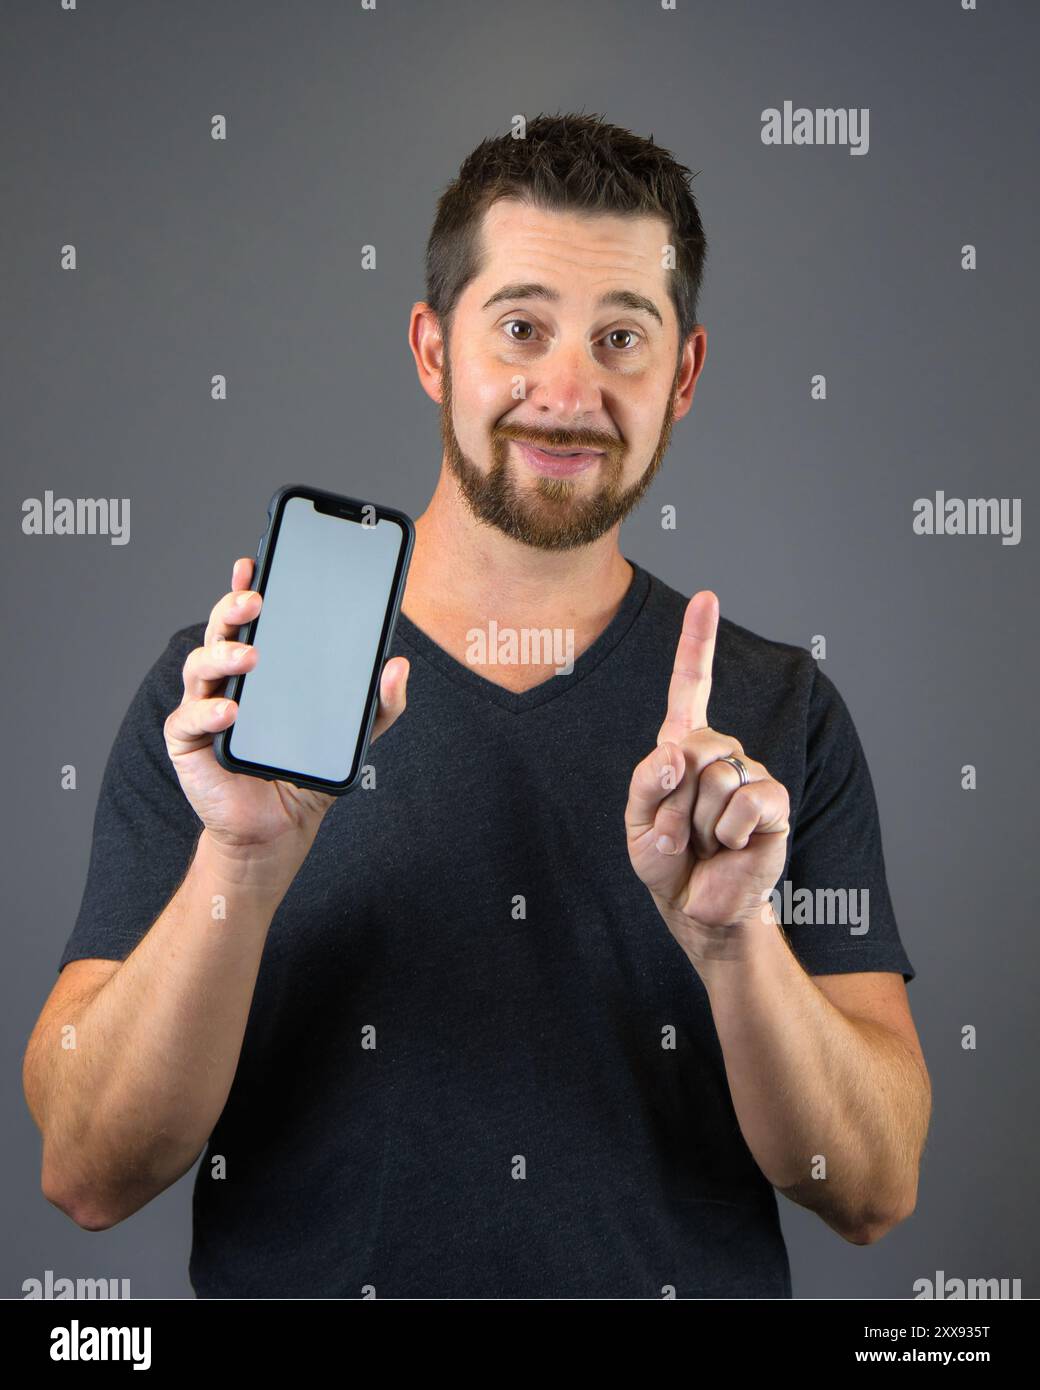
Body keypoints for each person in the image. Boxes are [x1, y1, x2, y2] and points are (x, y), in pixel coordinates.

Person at [23, 112, 930, 1299]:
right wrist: (237, 872)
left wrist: (732, 945)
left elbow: (870, 1190)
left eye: (620, 338)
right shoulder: (231, 695)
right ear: (432, 350)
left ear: (683, 375)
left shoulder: (775, 714)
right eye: (519, 327)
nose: (567, 389)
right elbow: (89, 1171)